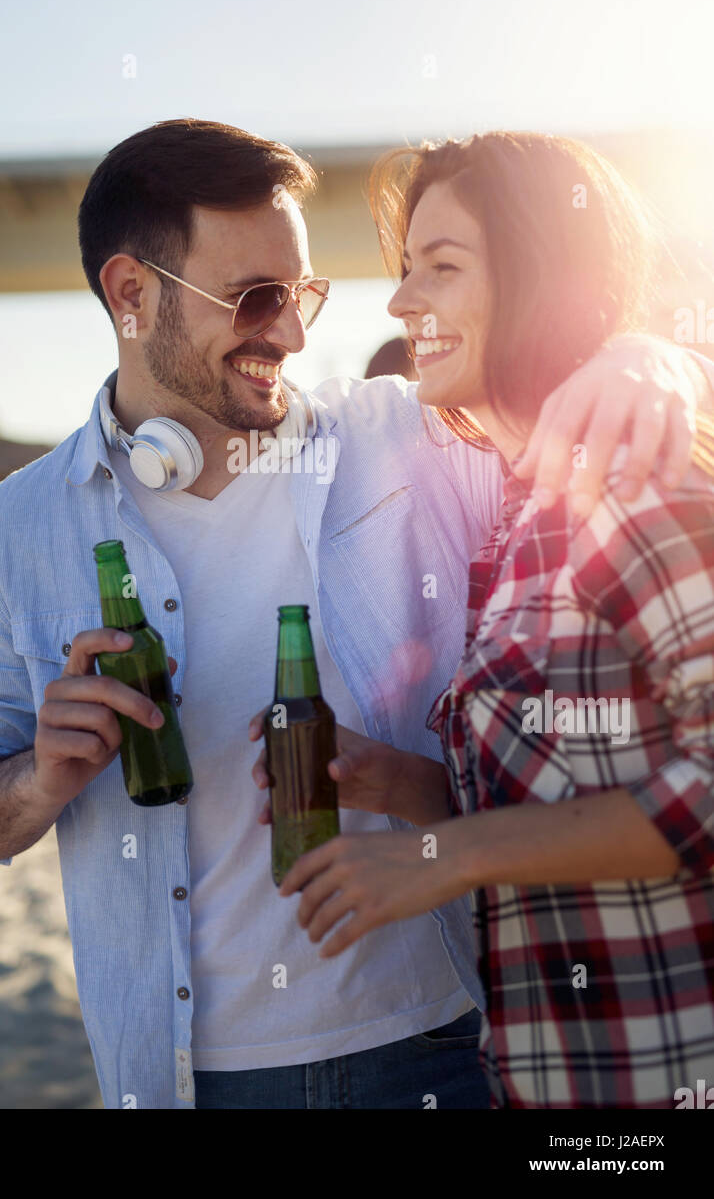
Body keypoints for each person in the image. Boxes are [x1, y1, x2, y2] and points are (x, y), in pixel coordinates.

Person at [0, 120, 714, 1111]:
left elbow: (548, 357)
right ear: (130, 295)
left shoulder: (410, 431)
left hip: (451, 1043)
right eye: (255, 299)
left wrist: (650, 357)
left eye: (300, 296)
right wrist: (36, 779)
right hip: (193, 1077)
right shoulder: (11, 528)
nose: (291, 334)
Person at [273, 131, 714, 1109]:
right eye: (402, 270)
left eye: (440, 267)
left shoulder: (640, 489)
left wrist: (441, 856)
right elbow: (569, 813)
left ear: (538, 278)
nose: (397, 303)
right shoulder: (513, 519)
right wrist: (392, 782)